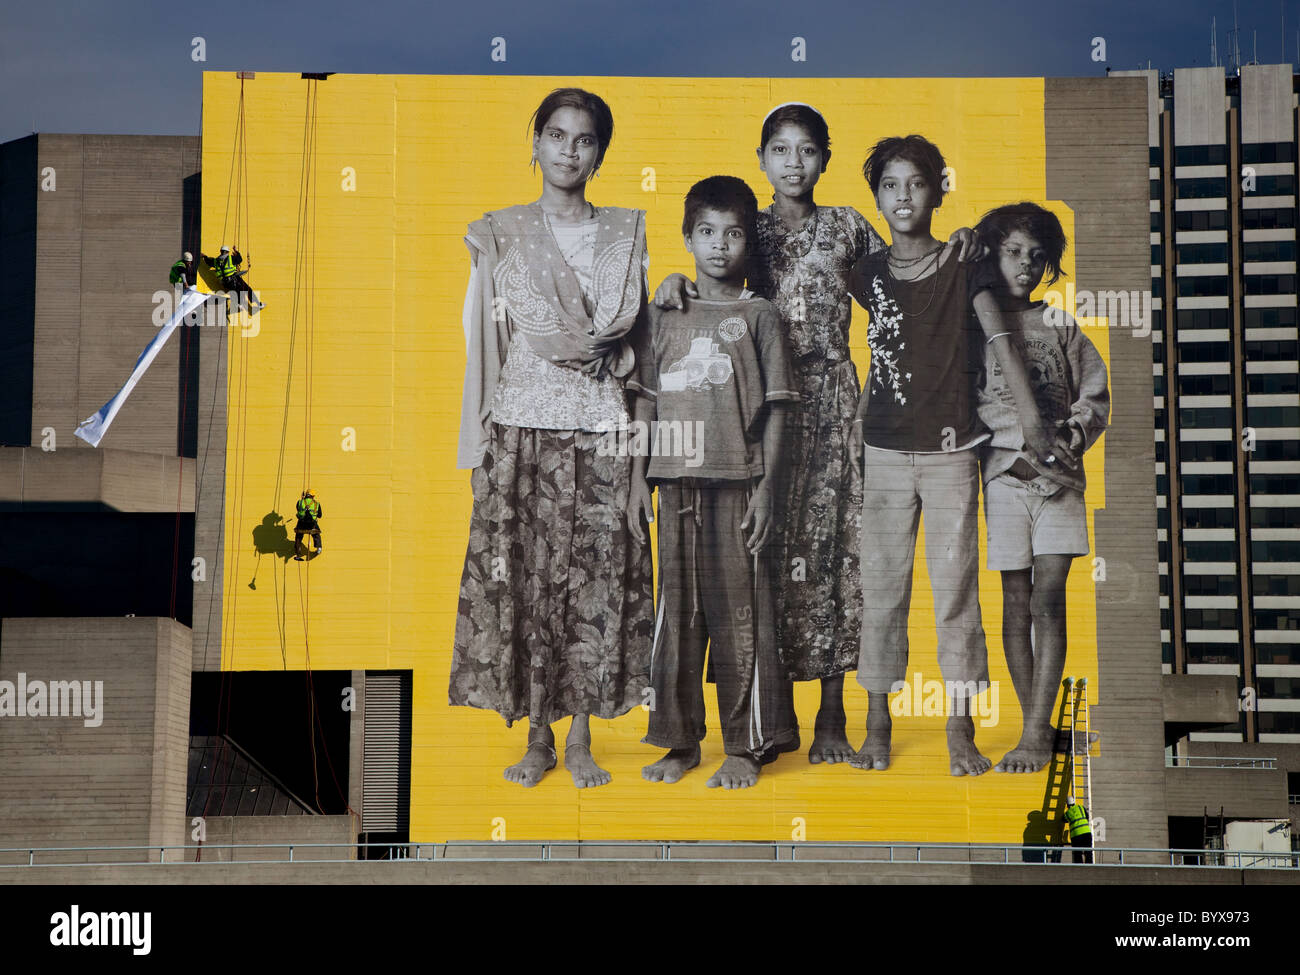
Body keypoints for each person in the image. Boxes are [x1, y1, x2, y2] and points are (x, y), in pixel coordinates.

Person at [654, 105, 982, 766]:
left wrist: (959, 249)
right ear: (763, 158)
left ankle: (835, 714)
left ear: (825, 160)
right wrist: (674, 282)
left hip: (834, 404)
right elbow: (716, 280)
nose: (794, 162)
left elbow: (905, 274)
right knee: (765, 559)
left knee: (839, 558)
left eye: (808, 150)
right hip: (759, 411)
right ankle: (773, 722)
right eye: (781, 149)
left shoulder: (847, 228)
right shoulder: (752, 227)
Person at [450, 87, 654, 790]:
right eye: (557, 135)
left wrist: (639, 464)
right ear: (534, 142)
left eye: (586, 138)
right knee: (529, 582)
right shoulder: (500, 233)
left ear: (600, 152)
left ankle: (582, 739)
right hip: (522, 429)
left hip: (602, 430)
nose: (570, 150)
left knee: (597, 584)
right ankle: (536, 736)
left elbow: (643, 353)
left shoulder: (626, 233)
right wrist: (476, 449)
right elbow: (483, 341)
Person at [847, 135, 1053, 777]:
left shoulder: (967, 264)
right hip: (880, 451)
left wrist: (1034, 419)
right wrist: (856, 429)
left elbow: (1001, 343)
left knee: (955, 593)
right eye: (890, 185)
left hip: (952, 455)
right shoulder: (866, 274)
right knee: (880, 592)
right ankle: (877, 723)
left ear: (939, 189)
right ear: (876, 196)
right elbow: (880, 358)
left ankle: (959, 730)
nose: (903, 196)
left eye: (916, 183)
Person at [631, 175, 798, 790]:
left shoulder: (760, 315)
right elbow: (645, 404)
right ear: (688, 238)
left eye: (733, 234)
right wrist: (637, 481)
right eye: (707, 233)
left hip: (738, 482)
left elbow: (779, 408)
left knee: (741, 617)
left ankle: (743, 746)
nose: (720, 246)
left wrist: (768, 490)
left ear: (749, 243)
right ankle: (679, 741)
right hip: (673, 484)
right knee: (676, 617)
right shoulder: (664, 311)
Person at [972, 203, 1110, 774]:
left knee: (1050, 597)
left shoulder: (1060, 325)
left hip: (1060, 484)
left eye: (1036, 256)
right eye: (1013, 253)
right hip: (1005, 480)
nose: (1025, 265)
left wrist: (1072, 437)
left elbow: (1095, 396)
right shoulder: (975, 324)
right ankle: (1038, 727)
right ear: (990, 256)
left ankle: (1033, 733)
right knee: (1015, 599)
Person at [202, 245, 264, 313]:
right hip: (234, 279)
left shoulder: (216, 261)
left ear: (221, 251)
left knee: (238, 291)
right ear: (228, 252)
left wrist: (204, 256)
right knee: (247, 289)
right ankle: (258, 304)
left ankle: (239, 304)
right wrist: (236, 251)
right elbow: (240, 259)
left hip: (225, 283)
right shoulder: (231, 258)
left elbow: (208, 261)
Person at [293, 489, 322, 559]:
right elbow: (319, 515)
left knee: (298, 536)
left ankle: (298, 551)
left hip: (302, 524)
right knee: (316, 534)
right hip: (312, 524)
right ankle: (318, 547)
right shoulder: (316, 504)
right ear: (313, 496)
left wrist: (302, 500)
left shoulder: (300, 502)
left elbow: (298, 509)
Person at [1065, 794, 1094, 863]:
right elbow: (1087, 816)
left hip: (1076, 835)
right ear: (1074, 802)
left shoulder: (1068, 813)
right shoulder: (1081, 807)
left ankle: (1079, 869)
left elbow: (1063, 819)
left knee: (1077, 854)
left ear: (1067, 805)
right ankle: (1089, 867)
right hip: (1087, 833)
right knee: (1088, 853)